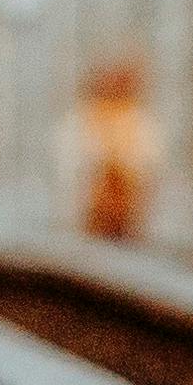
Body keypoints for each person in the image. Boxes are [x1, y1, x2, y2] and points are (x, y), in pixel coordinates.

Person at [72, 54, 158, 243]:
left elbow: (145, 163)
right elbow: (83, 160)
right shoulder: (89, 117)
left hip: (125, 213)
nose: (114, 86)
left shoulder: (136, 118)